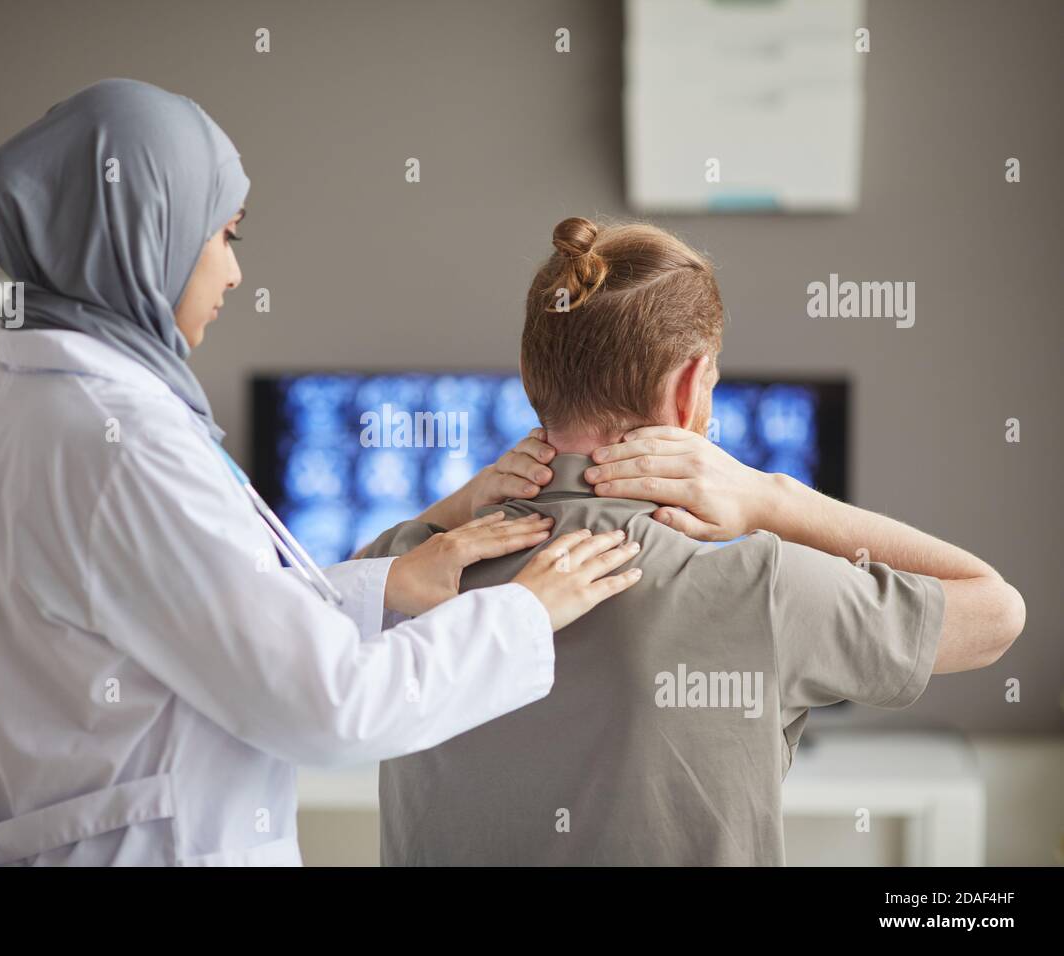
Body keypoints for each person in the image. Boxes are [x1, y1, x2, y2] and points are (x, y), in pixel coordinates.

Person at [0, 81, 643, 867]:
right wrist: (522, 614)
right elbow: (329, 708)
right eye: (226, 236)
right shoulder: (124, 441)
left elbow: (179, 619)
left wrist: (389, 583)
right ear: (146, 232)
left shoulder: (0, 403)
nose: (234, 275)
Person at [359, 216, 1026, 865]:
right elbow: (996, 614)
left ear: (536, 380)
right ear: (687, 391)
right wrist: (774, 497)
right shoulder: (763, 589)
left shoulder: (401, 575)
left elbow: (310, 613)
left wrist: (460, 506)